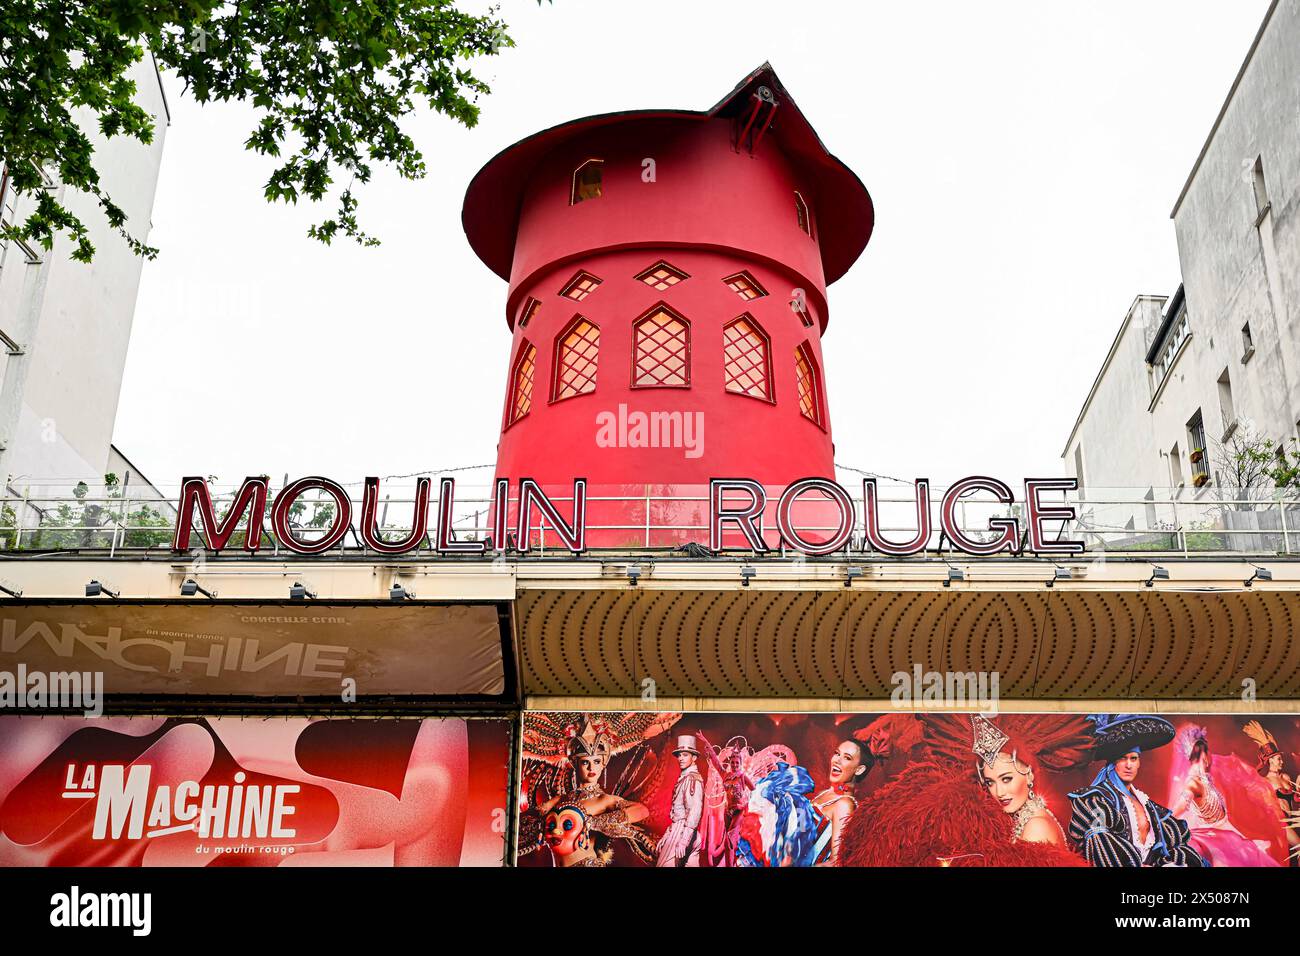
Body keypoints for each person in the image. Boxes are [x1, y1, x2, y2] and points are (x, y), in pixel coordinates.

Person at [519, 712, 674, 865]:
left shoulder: (604, 800)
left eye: (597, 762)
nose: (592, 767)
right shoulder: (562, 799)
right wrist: (540, 823)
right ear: (575, 764)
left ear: (603, 764)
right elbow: (528, 820)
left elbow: (641, 811)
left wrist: (594, 822)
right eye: (586, 762)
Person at [1067, 714, 1204, 867]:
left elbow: (1177, 848)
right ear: (1112, 763)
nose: (1129, 765)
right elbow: (1101, 847)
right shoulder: (1095, 800)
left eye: (1133, 758)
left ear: (1139, 762)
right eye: (1122, 758)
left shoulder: (1151, 808)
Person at [1168, 725, 1279, 867]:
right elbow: (1176, 811)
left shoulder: (1205, 778)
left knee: (1257, 857)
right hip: (1217, 837)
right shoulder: (1193, 783)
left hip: (1228, 831)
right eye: (1208, 752)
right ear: (1204, 755)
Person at [698, 730, 795, 867]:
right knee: (728, 842)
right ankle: (732, 863)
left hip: (739, 811)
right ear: (730, 762)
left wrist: (747, 804)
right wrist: (705, 742)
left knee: (729, 840)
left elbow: (756, 791)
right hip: (728, 812)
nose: (735, 765)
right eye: (733, 762)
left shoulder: (743, 778)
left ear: (740, 763)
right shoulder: (725, 775)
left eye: (737, 763)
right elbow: (714, 760)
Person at [1243, 720, 1298, 865]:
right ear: (1271, 761)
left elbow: (1295, 801)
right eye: (1279, 759)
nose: (1282, 762)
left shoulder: (1286, 777)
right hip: (1281, 824)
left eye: (1281, 759)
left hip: (1294, 822)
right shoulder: (1265, 782)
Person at [657, 735, 704, 867]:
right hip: (686, 832)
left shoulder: (691, 779)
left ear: (694, 758)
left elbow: (695, 810)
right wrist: (667, 834)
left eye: (685, 755)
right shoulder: (687, 778)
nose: (680, 758)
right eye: (679, 755)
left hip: (683, 831)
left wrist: (683, 840)